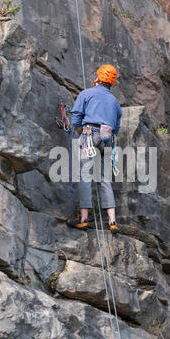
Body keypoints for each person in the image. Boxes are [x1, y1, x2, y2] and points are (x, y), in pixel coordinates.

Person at [67, 64, 122, 234]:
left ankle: (83, 218)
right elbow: (117, 128)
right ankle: (112, 221)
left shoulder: (87, 94)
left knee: (84, 174)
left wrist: (79, 132)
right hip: (107, 138)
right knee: (104, 179)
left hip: (89, 133)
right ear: (111, 83)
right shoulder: (115, 102)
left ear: (97, 79)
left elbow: (76, 117)